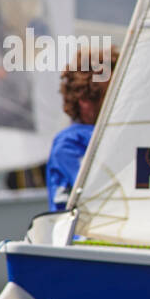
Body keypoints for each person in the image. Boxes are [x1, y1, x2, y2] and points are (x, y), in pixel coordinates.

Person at [46, 44, 117, 211]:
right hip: (81, 235)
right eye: (104, 96)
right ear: (83, 99)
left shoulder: (117, 134)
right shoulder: (69, 143)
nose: (112, 103)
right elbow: (94, 192)